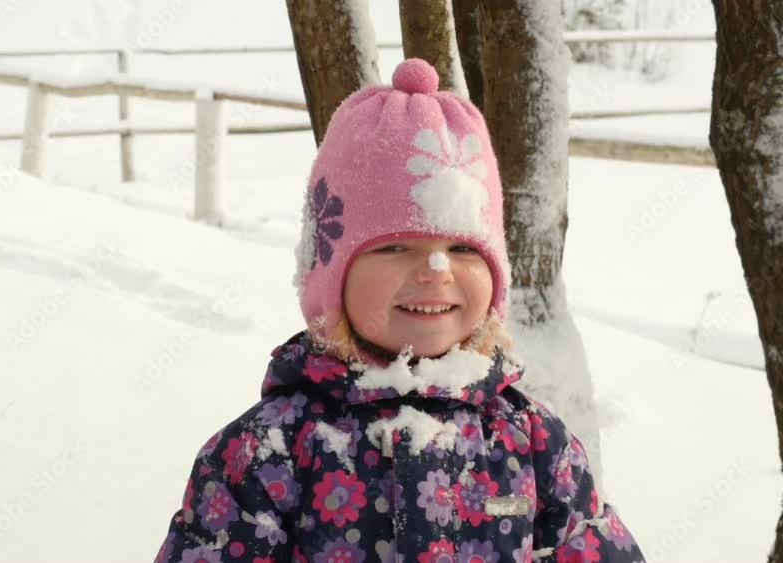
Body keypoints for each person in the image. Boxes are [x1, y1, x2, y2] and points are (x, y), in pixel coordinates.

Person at [153, 58, 646, 563]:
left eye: (463, 249)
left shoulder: (537, 446)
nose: (436, 269)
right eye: (394, 247)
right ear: (331, 274)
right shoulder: (266, 453)